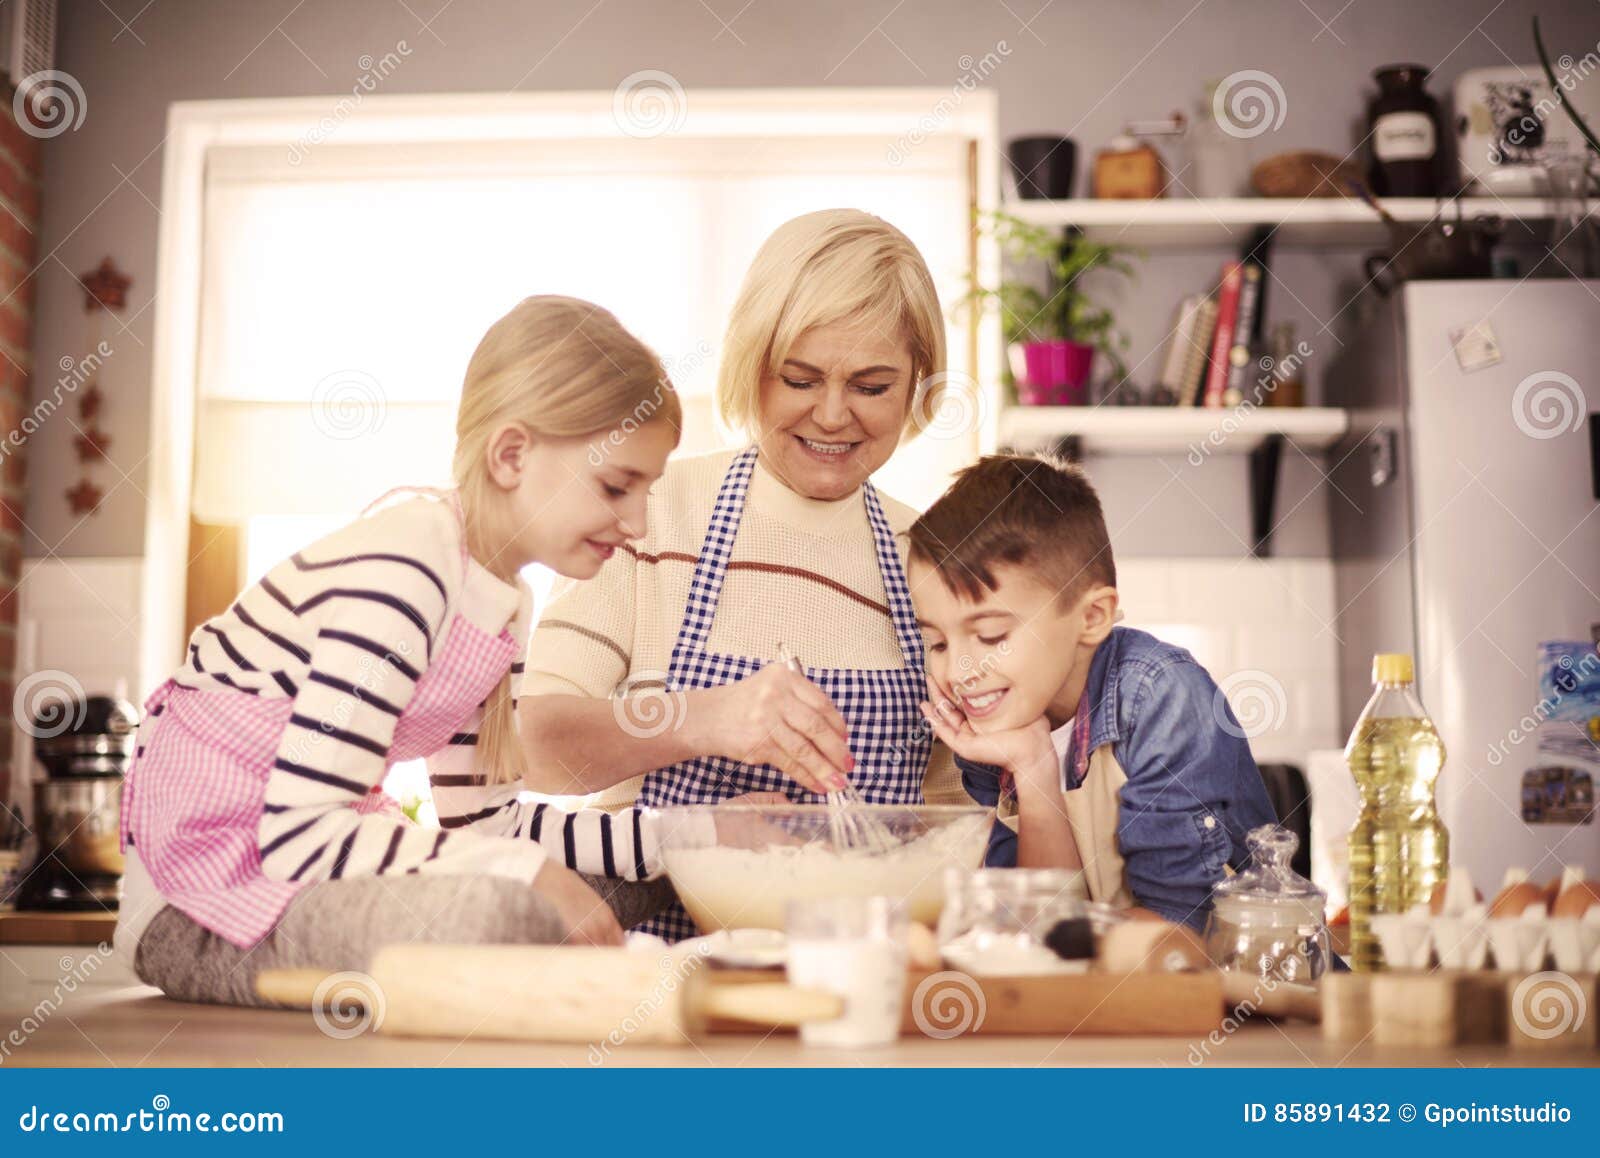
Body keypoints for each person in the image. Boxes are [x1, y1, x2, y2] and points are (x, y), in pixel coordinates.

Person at [116, 296, 690, 1005]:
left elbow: (494, 825)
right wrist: (526, 874)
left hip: (302, 879)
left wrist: (686, 838)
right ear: (512, 455)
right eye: (616, 486)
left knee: (651, 878)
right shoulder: (409, 565)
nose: (637, 522)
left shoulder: (505, 602)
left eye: (647, 491)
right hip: (202, 910)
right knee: (505, 909)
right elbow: (301, 838)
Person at [517, 209, 966, 941]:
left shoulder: (936, 555)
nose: (831, 414)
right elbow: (531, 749)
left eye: (873, 385)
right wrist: (706, 720)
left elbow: (946, 818)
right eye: (800, 377)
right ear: (751, 364)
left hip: (863, 969)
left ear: (918, 386)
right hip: (658, 968)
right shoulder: (648, 513)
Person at [909, 454, 1279, 930]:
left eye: (992, 636)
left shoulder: (1161, 697)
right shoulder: (993, 729)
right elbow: (1041, 925)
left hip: (1250, 991)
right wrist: (1032, 767)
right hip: (1114, 993)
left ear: (1092, 617)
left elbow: (1179, 931)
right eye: (936, 642)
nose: (957, 671)